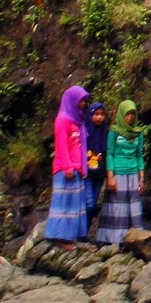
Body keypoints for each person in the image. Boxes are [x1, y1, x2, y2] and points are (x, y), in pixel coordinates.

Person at [94, 100, 146, 244]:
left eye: (132, 114)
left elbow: (139, 155)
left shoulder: (138, 133)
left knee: (133, 205)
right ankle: (115, 239)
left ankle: (135, 238)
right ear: (122, 114)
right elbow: (109, 153)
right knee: (118, 205)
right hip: (119, 172)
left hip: (133, 172)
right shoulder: (114, 132)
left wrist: (141, 178)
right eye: (127, 114)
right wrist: (110, 176)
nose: (130, 117)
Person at [44, 85, 90, 249]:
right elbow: (61, 145)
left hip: (77, 167)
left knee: (74, 203)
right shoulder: (62, 120)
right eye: (80, 101)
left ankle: (71, 235)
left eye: (84, 101)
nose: (83, 104)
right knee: (63, 204)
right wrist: (67, 167)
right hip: (66, 169)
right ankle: (59, 236)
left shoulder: (76, 120)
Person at [84, 101, 109, 216]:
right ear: (90, 115)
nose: (100, 117)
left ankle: (85, 232)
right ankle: (81, 230)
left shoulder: (105, 132)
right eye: (97, 114)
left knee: (93, 205)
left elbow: (106, 153)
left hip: (98, 174)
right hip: (87, 174)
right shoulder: (84, 131)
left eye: (102, 114)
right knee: (88, 204)